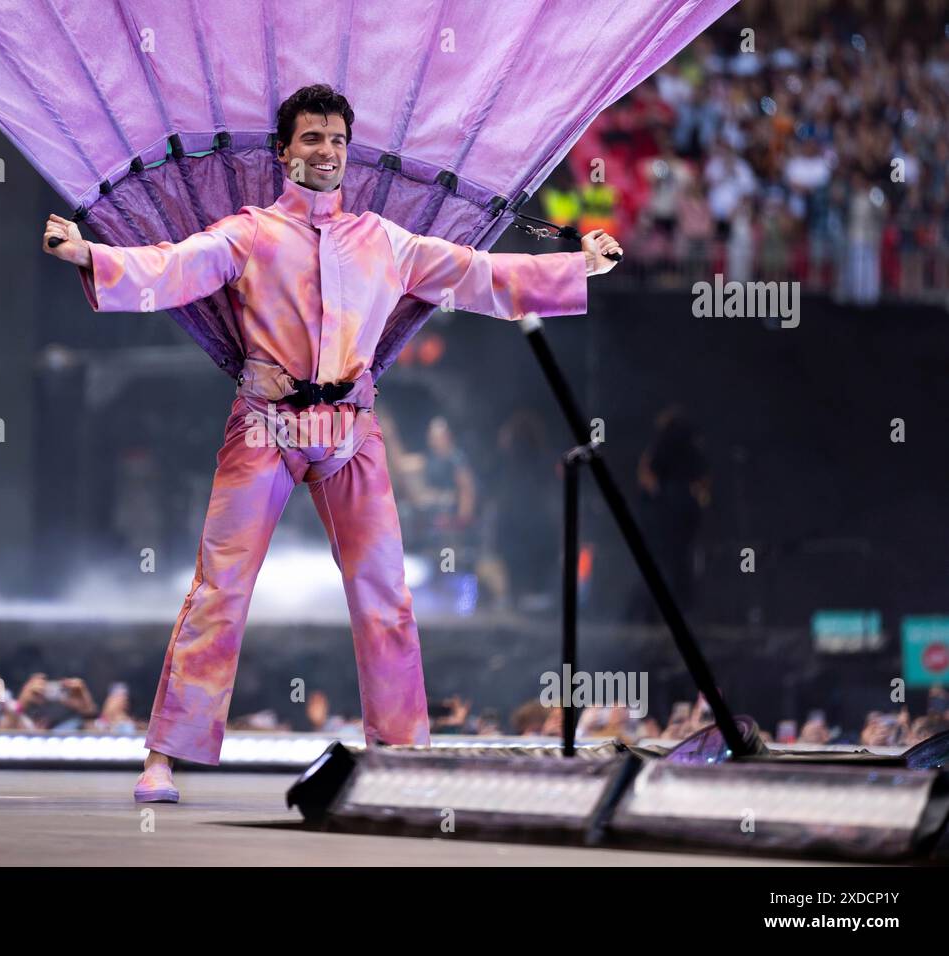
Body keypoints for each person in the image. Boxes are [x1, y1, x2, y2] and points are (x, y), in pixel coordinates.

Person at [42, 84, 622, 803]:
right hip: (265, 423)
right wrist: (88, 255)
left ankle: (404, 758)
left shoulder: (383, 240)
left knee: (388, 597)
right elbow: (174, 266)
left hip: (353, 428)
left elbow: (480, 276)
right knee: (219, 589)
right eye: (312, 138)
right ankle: (164, 752)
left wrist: (578, 266)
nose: (327, 151)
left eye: (338, 140)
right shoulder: (249, 232)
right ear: (284, 151)